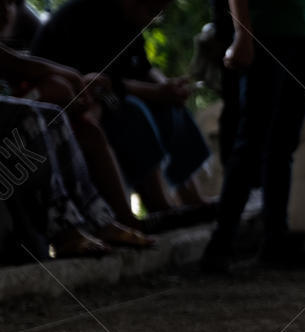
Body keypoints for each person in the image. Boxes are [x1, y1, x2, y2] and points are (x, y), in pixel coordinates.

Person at [0, 0, 152, 257]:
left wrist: (63, 74)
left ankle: (98, 221)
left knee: (54, 116)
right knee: (27, 118)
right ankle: (63, 231)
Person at [31, 0, 213, 215]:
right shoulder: (87, 16)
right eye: (151, 11)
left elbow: (143, 68)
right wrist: (155, 92)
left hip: (107, 96)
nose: (151, 20)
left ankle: (190, 197)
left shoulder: (130, 22)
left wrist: (166, 86)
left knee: (171, 106)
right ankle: (158, 203)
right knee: (132, 112)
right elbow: (100, 82)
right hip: (75, 103)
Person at [200, 0, 305, 272]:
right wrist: (243, 33)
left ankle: (276, 239)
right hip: (265, 33)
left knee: (284, 143)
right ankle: (221, 242)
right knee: (251, 141)